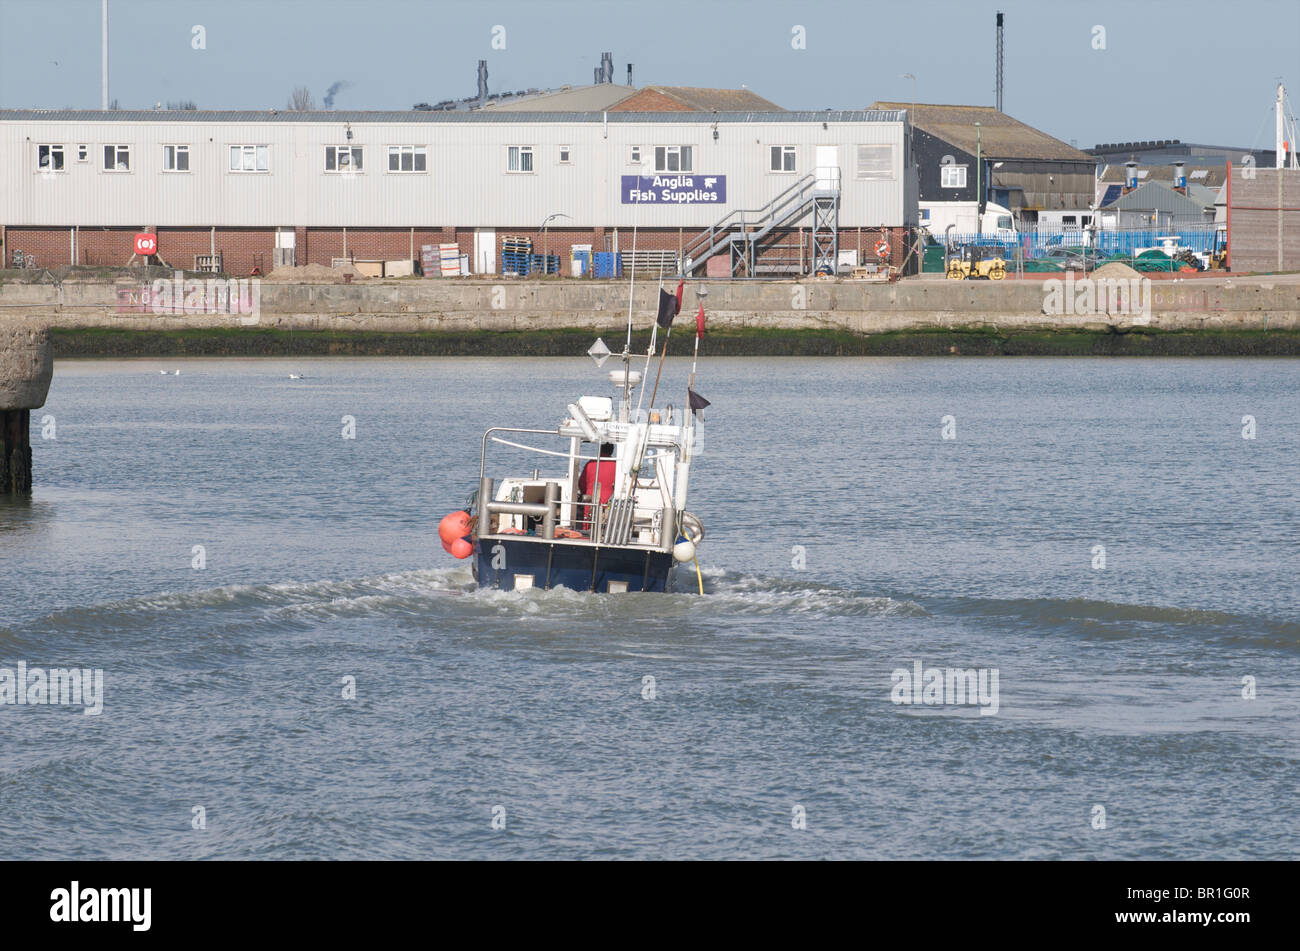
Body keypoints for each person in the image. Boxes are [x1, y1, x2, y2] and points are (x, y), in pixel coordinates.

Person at [578, 443, 616, 533]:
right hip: (609, 499)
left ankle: (586, 534)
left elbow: (581, 483)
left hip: (590, 498)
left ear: (600, 449)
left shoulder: (591, 463)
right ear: (612, 451)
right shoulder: (616, 464)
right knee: (606, 522)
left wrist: (584, 492)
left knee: (588, 521)